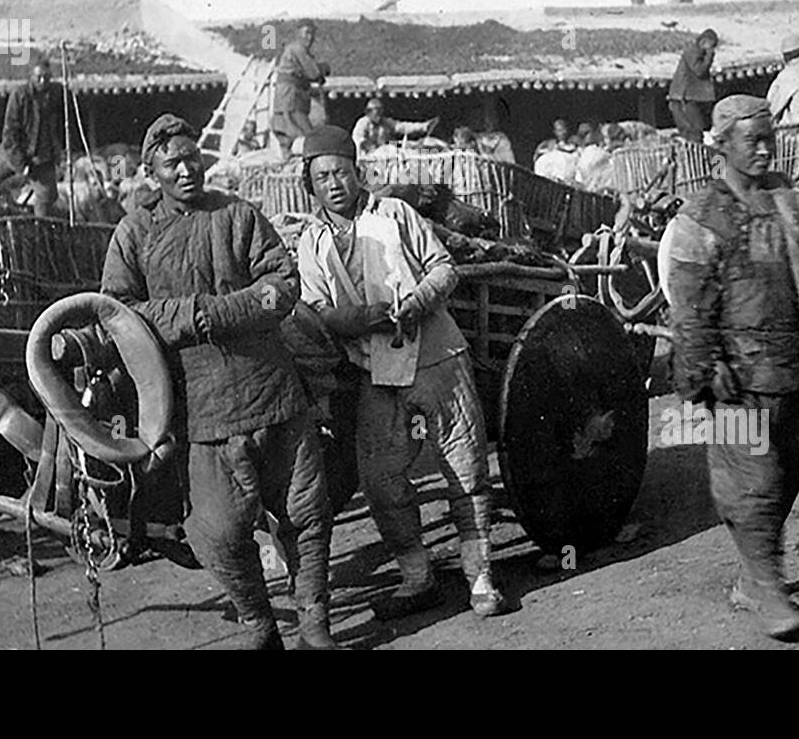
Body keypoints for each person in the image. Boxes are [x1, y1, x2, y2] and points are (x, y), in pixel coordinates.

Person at [101, 114, 336, 650]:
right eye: (171, 163)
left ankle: (315, 624)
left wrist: (217, 314)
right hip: (201, 408)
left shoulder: (238, 214)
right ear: (151, 172)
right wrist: (196, 316)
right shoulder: (133, 233)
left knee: (305, 511)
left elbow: (282, 284)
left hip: (273, 391)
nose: (186, 170)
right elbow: (119, 313)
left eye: (192, 158)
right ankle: (258, 622)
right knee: (220, 530)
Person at [295, 125, 508, 620]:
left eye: (341, 173)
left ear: (357, 173)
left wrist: (416, 303)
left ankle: (481, 577)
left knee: (466, 469)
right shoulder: (312, 242)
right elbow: (315, 308)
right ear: (311, 184)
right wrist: (358, 318)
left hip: (437, 358)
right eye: (322, 176)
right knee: (382, 482)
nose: (334, 184)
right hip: (374, 372)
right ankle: (419, 577)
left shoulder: (395, 214)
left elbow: (444, 268)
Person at [662, 94, 799, 640]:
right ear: (723, 145)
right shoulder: (699, 221)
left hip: (787, 369)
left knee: (784, 479)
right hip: (734, 379)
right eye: (752, 141)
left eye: (770, 139)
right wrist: (699, 369)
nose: (764, 150)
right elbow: (689, 310)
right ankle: (768, 592)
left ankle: (750, 579)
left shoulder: (793, 203)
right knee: (754, 484)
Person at [0, 56, 64, 216]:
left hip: (41, 160)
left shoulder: (56, 94)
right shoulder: (20, 95)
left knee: (46, 200)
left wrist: (58, 153)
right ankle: (9, 203)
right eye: (39, 77)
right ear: (31, 77)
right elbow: (10, 134)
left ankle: (39, 230)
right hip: (13, 153)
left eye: (46, 77)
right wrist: (21, 164)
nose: (43, 81)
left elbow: (63, 126)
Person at [271, 20, 330, 160]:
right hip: (291, 96)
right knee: (303, 130)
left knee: (288, 129)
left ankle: (289, 159)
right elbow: (313, 72)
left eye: (312, 34)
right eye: (306, 33)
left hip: (292, 95)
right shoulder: (297, 49)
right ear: (298, 34)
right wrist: (323, 68)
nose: (309, 37)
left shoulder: (302, 52)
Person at [668, 29, 719, 141]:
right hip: (684, 98)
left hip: (688, 98)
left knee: (696, 131)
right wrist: (709, 56)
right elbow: (699, 70)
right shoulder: (693, 51)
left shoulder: (697, 52)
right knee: (693, 132)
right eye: (712, 45)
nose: (712, 48)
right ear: (704, 41)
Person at [351, 98, 438, 157]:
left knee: (409, 147)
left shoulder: (385, 122)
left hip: (386, 152)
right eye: (376, 112)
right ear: (369, 112)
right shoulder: (362, 123)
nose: (378, 116)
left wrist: (423, 126)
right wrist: (370, 147)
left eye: (380, 112)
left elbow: (401, 126)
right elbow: (359, 140)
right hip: (369, 157)